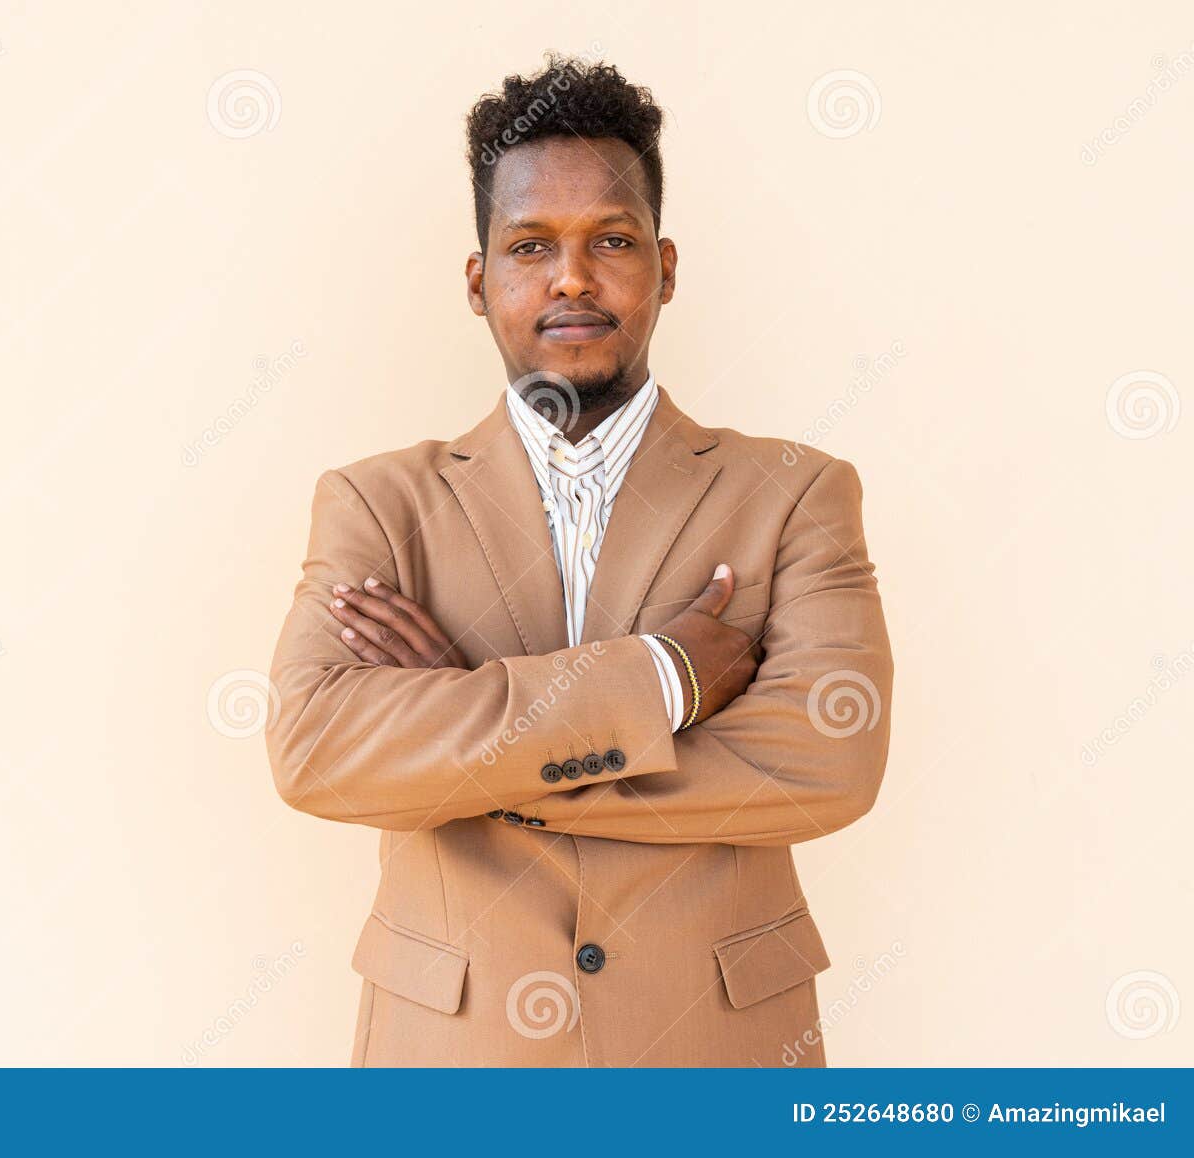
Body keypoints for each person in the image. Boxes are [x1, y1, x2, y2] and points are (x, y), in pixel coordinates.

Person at [265, 55, 893, 1067]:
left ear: (666, 266)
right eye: (529, 245)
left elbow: (828, 762)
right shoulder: (378, 504)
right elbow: (314, 747)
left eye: (611, 239)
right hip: (452, 1058)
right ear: (478, 281)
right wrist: (662, 678)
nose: (571, 276)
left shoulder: (796, 494)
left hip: (717, 1056)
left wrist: (461, 752)